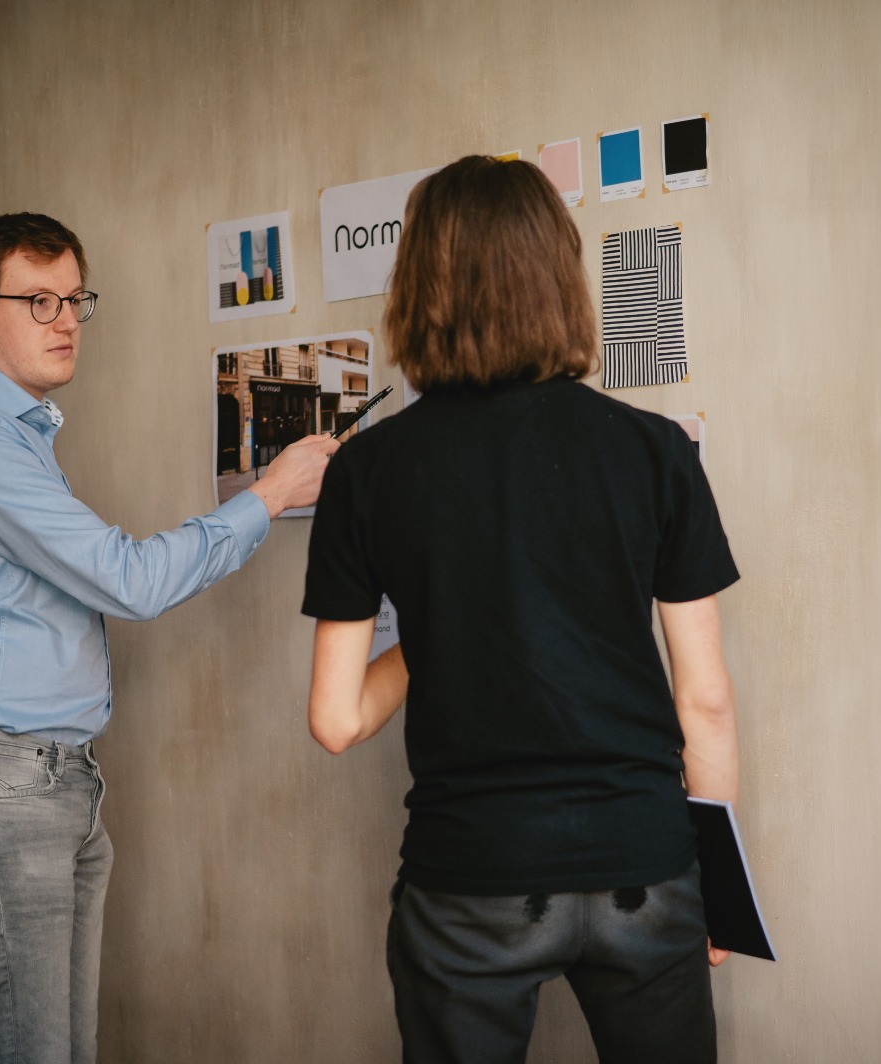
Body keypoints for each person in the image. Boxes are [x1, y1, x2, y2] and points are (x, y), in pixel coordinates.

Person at [302, 156, 742, 1064]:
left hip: (473, 881)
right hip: (645, 867)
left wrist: (446, 625)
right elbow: (705, 702)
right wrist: (722, 892)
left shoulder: (370, 471)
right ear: (559, 277)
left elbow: (338, 720)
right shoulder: (657, 452)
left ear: (418, 284)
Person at [0, 212, 338, 1064]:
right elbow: (127, 580)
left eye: (74, 299)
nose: (65, 321)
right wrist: (269, 495)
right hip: (0, 786)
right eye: (38, 300)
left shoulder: (15, 435)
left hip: (50, 780)